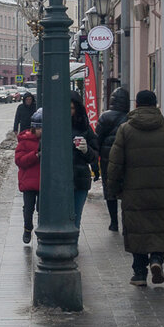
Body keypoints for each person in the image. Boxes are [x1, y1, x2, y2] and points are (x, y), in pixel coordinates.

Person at [104, 89, 164, 288]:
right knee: (159, 227)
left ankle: (139, 273)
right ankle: (157, 259)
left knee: (137, 230)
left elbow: (115, 163)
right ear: (156, 105)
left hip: (133, 191)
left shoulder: (125, 130)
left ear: (136, 105)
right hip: (161, 190)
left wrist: (113, 188)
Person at [96, 85, 131, 231]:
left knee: (110, 190)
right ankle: (125, 222)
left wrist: (95, 159)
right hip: (125, 159)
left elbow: (97, 139)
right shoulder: (130, 117)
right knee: (125, 189)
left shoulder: (105, 117)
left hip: (107, 160)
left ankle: (114, 222)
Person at [69, 91, 99, 230]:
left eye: (72, 108)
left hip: (80, 178)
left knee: (76, 217)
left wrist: (86, 150)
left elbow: (94, 154)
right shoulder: (54, 126)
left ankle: (73, 245)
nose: (69, 112)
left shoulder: (84, 127)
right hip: (58, 181)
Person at [15, 108, 43, 244]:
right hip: (29, 182)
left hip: (44, 183)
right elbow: (19, 160)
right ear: (34, 128)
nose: (42, 132)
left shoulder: (49, 140)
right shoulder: (25, 140)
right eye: (40, 129)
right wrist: (36, 155)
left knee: (42, 208)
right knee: (28, 208)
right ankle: (27, 228)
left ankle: (41, 230)